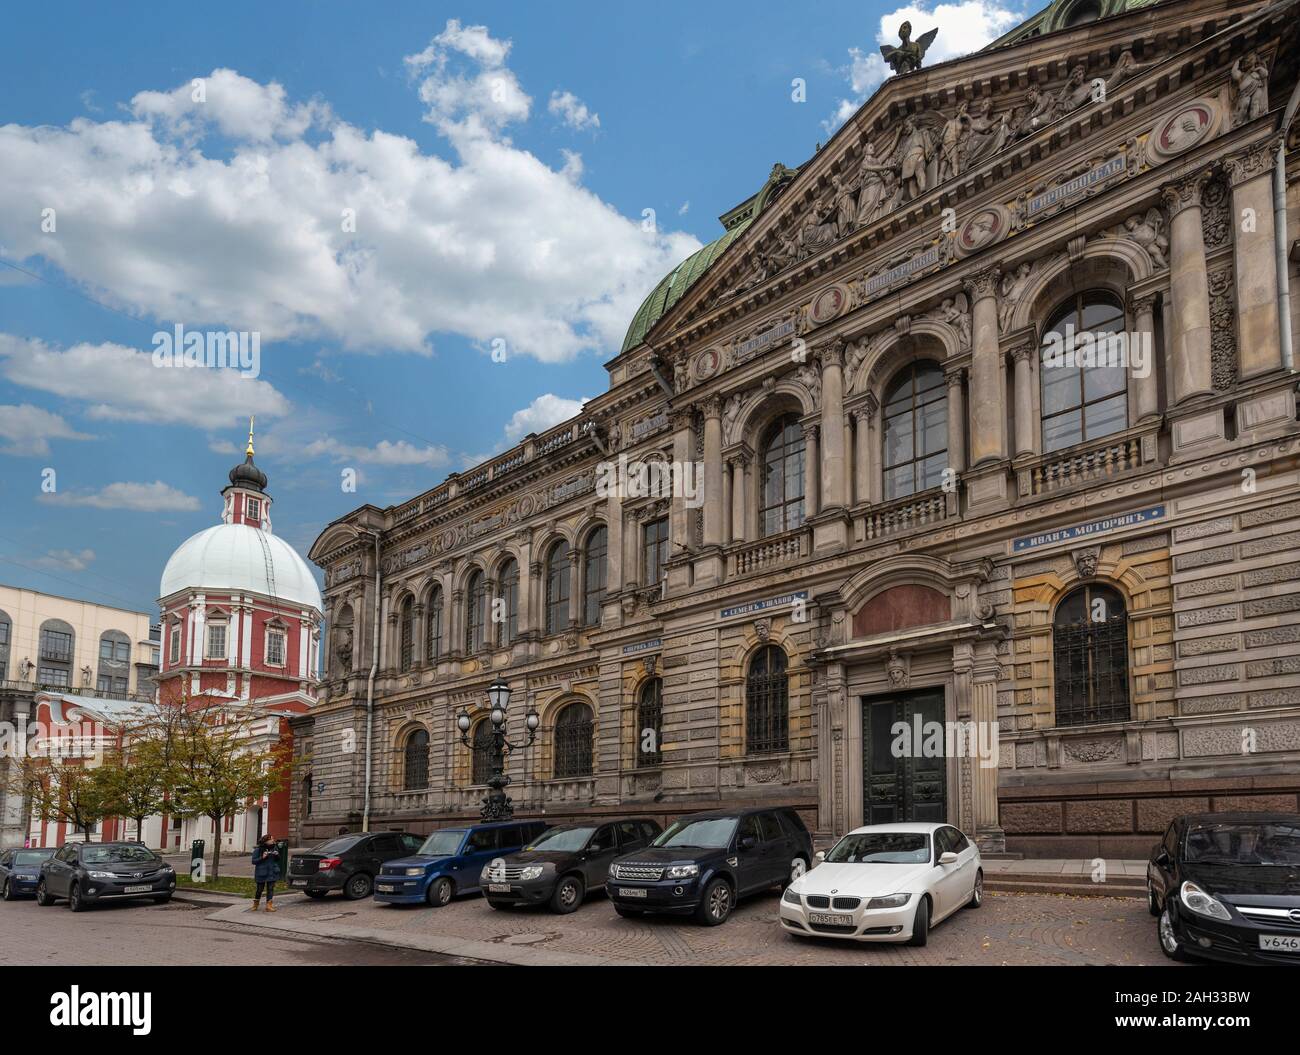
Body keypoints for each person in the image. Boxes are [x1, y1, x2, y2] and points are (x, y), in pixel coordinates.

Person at [251, 833, 280, 912]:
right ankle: (256, 904)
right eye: (271, 839)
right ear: (266, 841)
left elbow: (277, 860)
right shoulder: (258, 850)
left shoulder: (274, 848)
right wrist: (262, 857)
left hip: (272, 871)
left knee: (270, 889)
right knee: (259, 889)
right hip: (262, 872)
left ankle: (269, 906)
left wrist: (277, 855)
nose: (273, 840)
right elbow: (254, 861)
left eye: (272, 839)